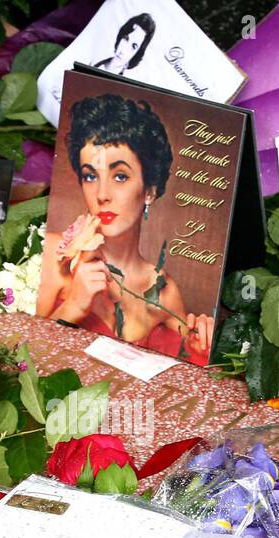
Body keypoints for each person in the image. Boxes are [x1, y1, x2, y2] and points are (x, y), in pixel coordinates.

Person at [37, 93, 212, 365]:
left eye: (120, 176)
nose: (102, 194)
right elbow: (19, 359)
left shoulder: (164, 291)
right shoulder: (54, 254)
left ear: (149, 191)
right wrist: (74, 306)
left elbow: (188, 380)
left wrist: (202, 345)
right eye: (90, 176)